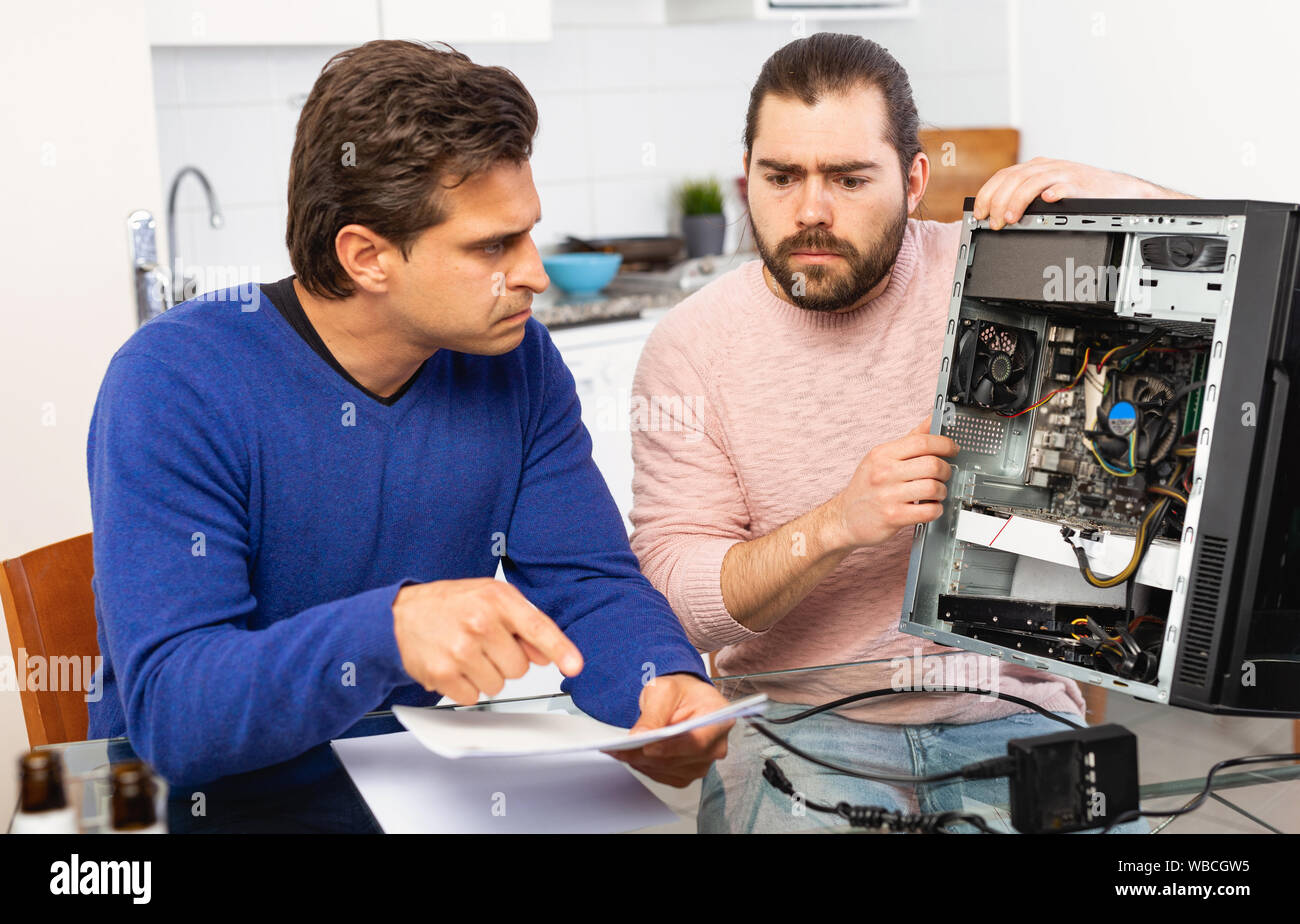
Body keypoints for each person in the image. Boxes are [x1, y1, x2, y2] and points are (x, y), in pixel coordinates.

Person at [87, 39, 730, 790]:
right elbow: (175, 711)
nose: (534, 274)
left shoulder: (517, 363)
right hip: (205, 806)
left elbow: (587, 585)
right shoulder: (175, 382)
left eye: (528, 232)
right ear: (366, 257)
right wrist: (389, 629)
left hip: (413, 790)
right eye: (493, 245)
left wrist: (661, 683)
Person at [628, 32, 1187, 832]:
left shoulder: (1005, 274)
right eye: (779, 177)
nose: (810, 210)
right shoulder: (689, 347)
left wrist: (1138, 197)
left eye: (849, 178)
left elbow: (1248, 295)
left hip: (1011, 712)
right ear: (744, 176)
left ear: (914, 179)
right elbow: (679, 601)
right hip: (802, 725)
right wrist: (834, 527)